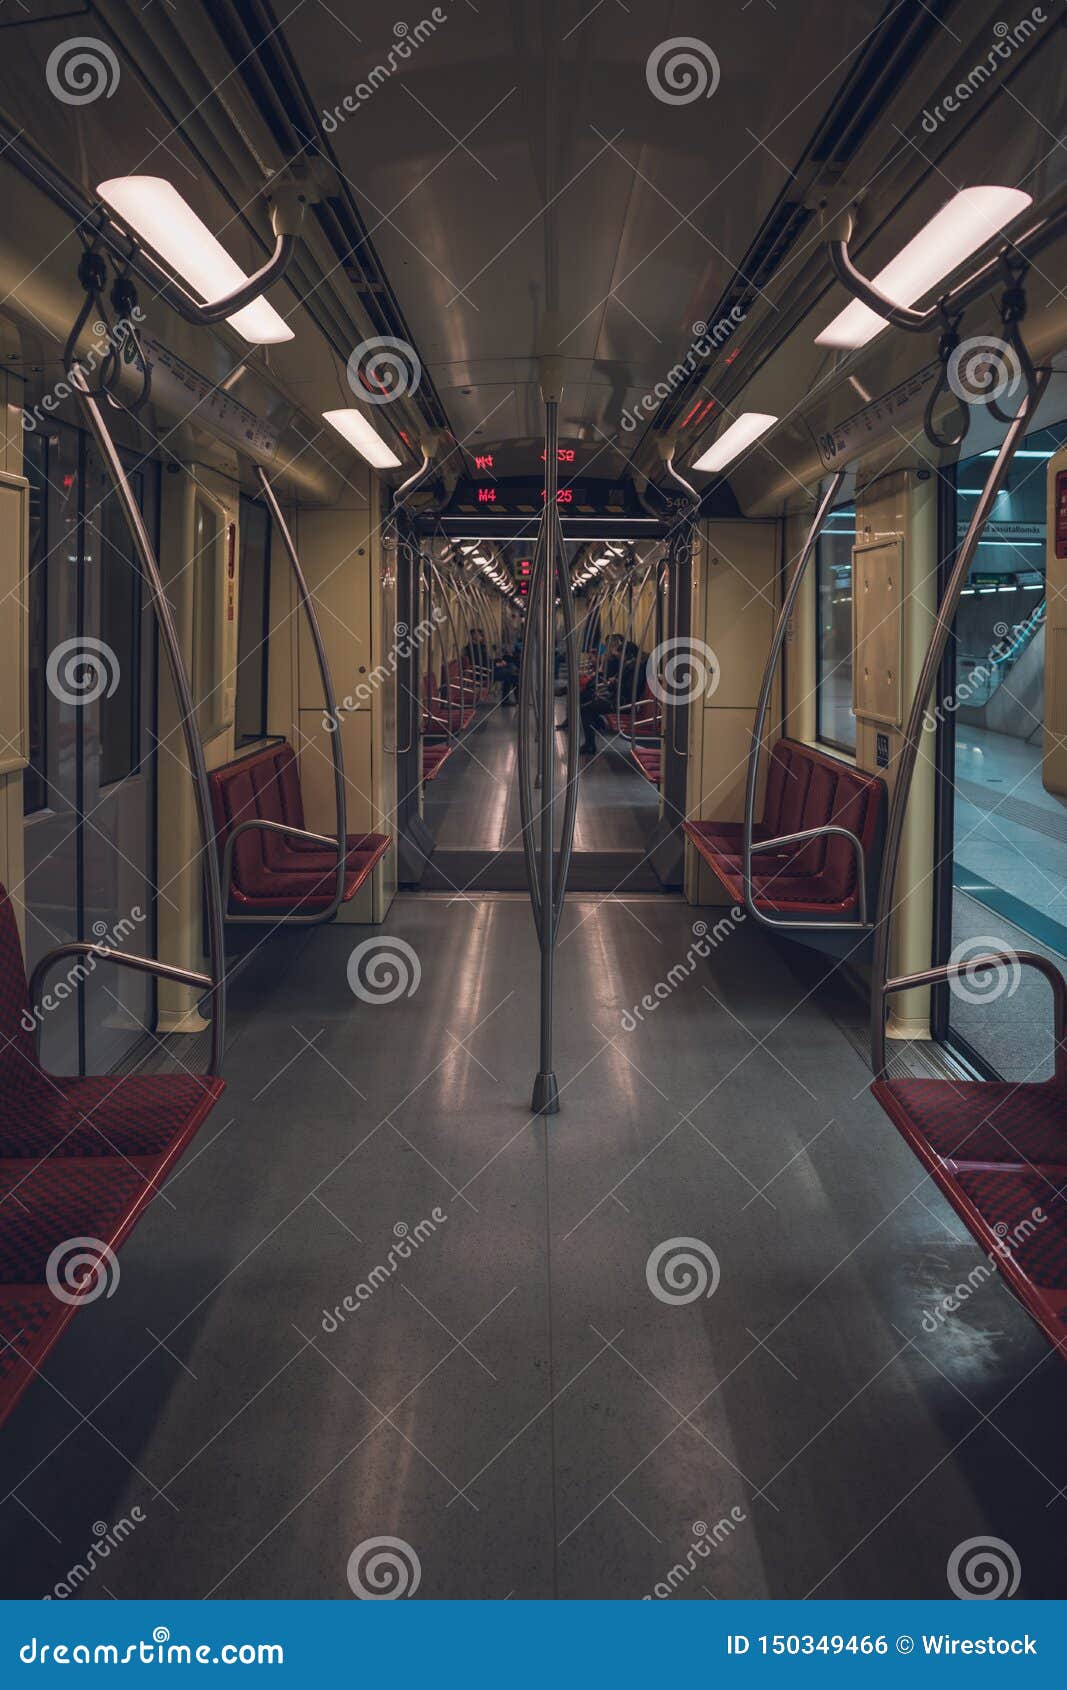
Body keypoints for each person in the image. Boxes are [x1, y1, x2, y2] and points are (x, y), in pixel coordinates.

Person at [579, 640, 645, 754]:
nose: (620, 658)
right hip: (620, 699)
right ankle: (598, 724)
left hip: (623, 703)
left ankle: (590, 744)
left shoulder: (634, 668)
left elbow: (627, 688)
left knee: (586, 708)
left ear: (628, 654)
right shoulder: (633, 666)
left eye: (622, 655)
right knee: (588, 699)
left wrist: (613, 683)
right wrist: (614, 682)